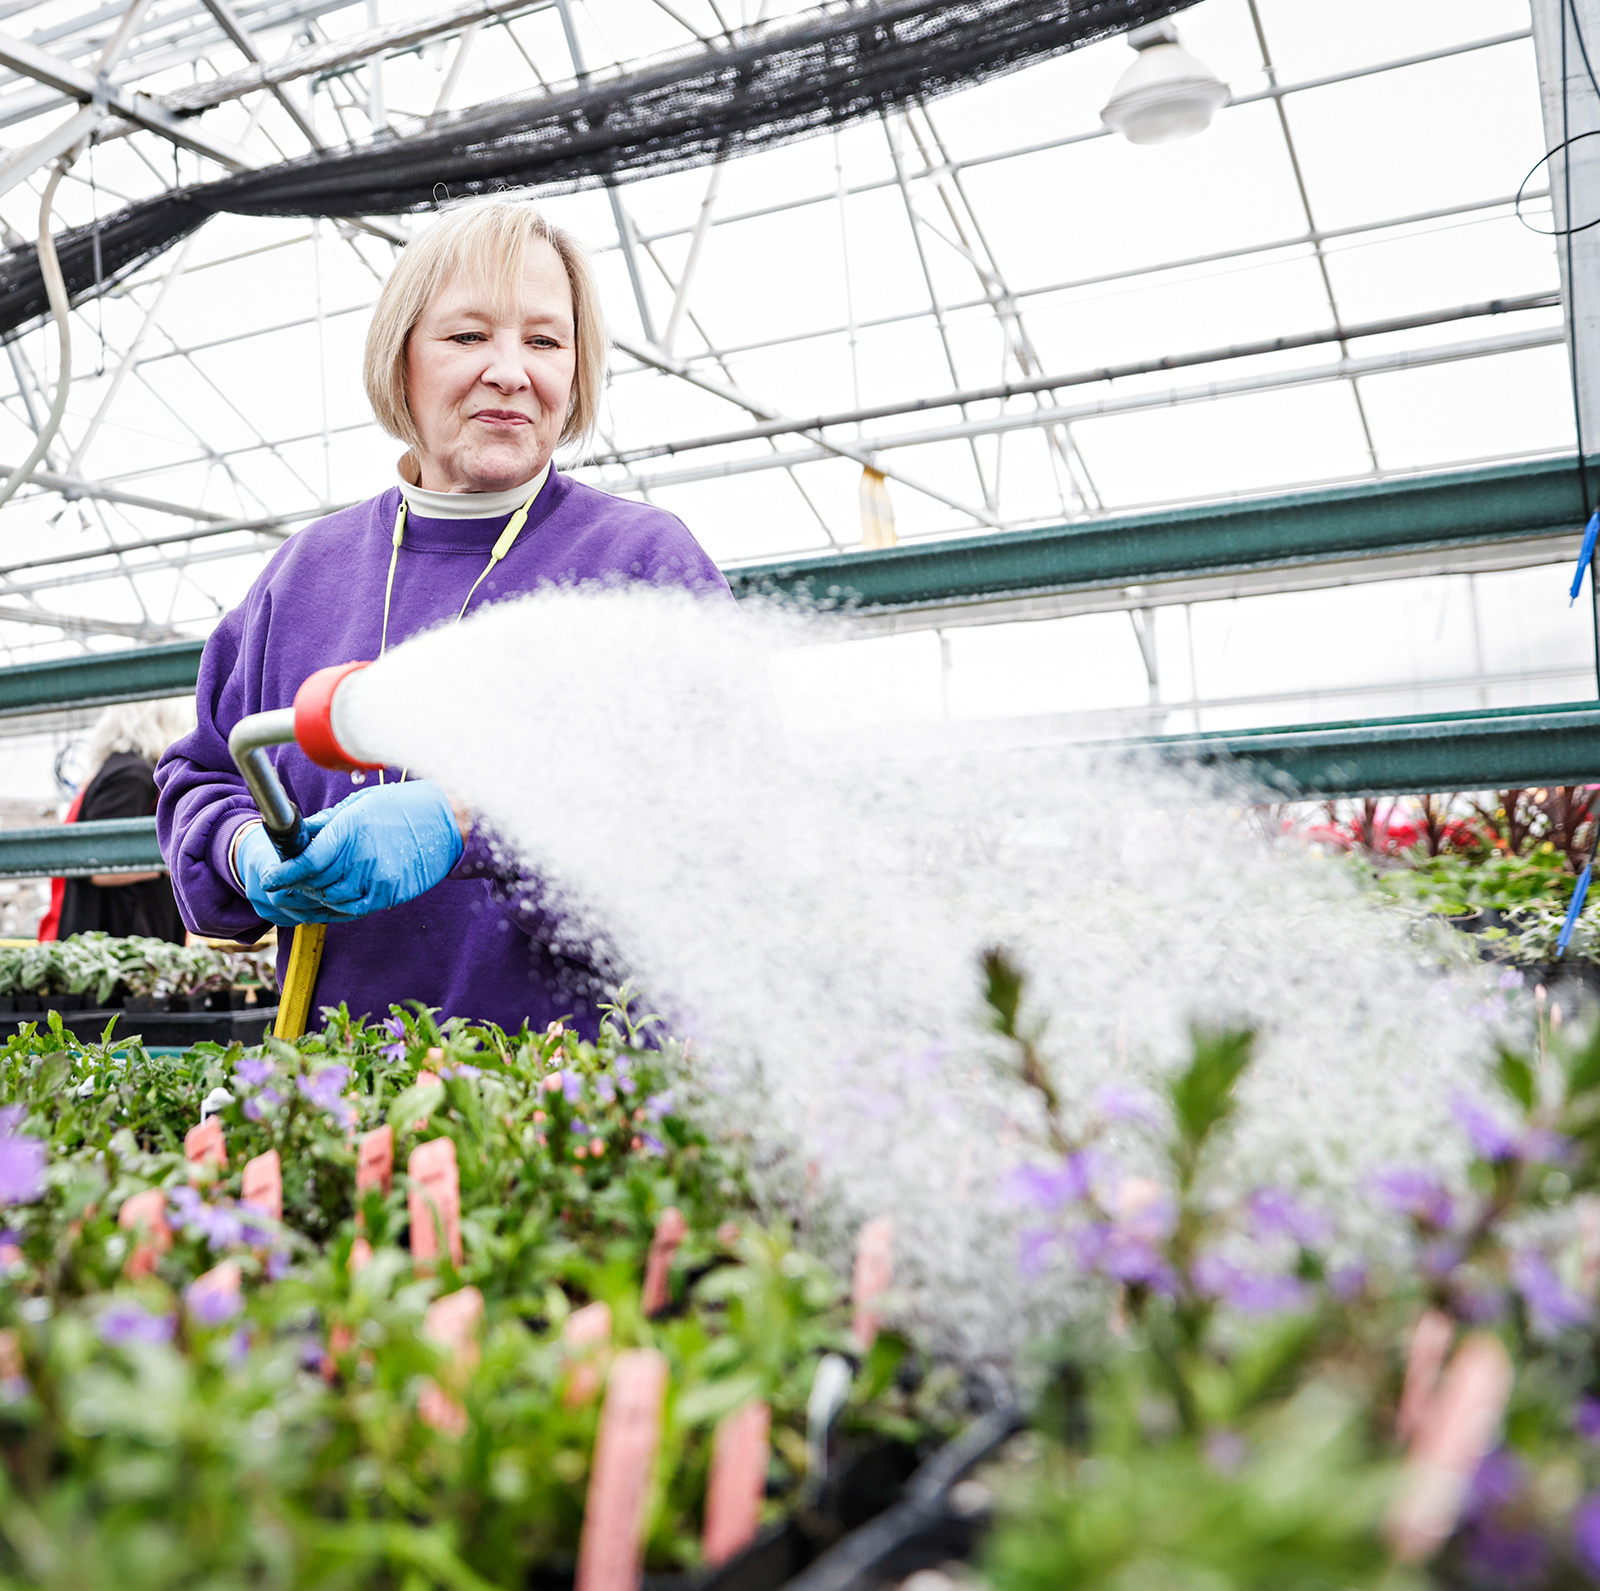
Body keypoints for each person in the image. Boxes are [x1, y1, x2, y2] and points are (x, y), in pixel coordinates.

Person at [155, 199, 730, 1033]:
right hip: (340, 1100)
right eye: (468, 336)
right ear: (402, 363)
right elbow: (204, 774)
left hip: (584, 1111)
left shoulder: (641, 563)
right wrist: (244, 850)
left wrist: (469, 826)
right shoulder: (305, 576)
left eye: (544, 340)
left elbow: (712, 812)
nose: (510, 369)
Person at [49, 701, 191, 943]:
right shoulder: (132, 776)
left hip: (115, 942)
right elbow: (96, 865)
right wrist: (166, 865)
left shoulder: (119, 769)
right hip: (122, 941)